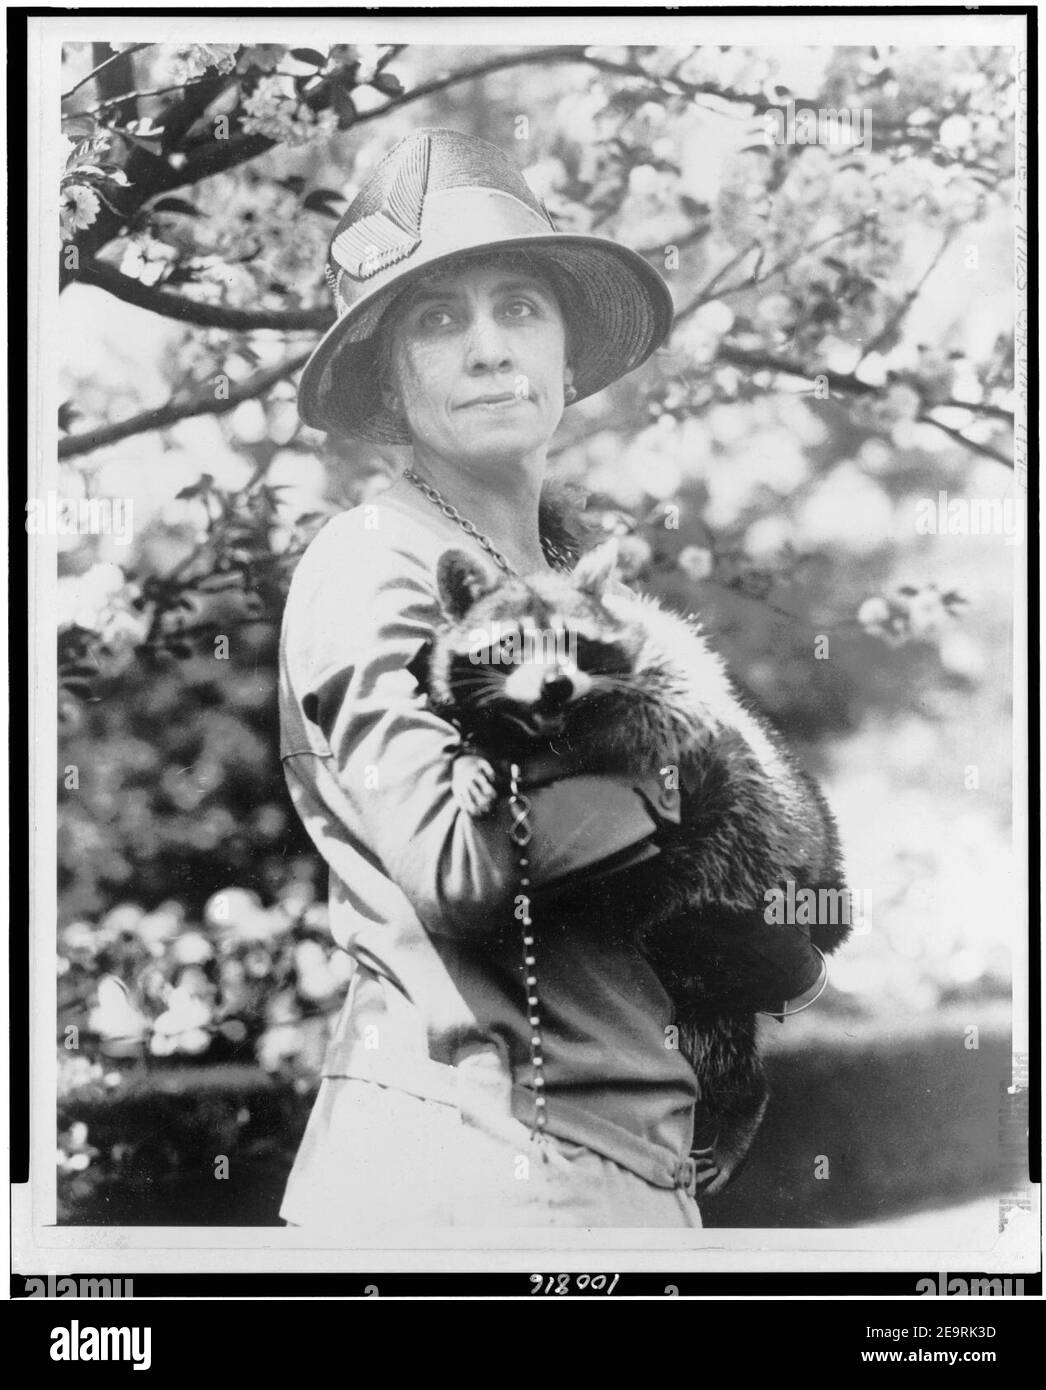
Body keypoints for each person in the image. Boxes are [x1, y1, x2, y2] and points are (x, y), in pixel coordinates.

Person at [278, 128, 822, 1233]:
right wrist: (681, 794)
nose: (488, 349)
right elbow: (455, 861)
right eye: (438, 320)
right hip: (478, 1169)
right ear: (389, 384)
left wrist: (769, 923)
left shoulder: (572, 585)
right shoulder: (372, 555)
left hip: (625, 1169)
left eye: (518, 307)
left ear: (567, 359)